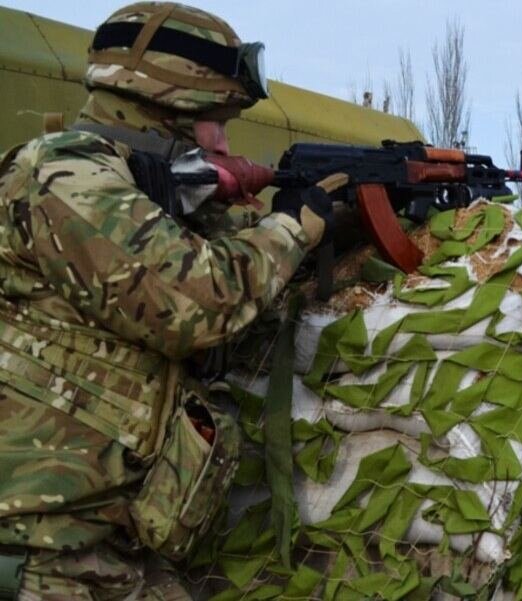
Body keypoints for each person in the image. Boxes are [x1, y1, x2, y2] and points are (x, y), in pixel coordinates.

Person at [0, 3, 334, 598]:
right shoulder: (62, 178)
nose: (226, 141)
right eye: (217, 121)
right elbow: (197, 302)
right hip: (43, 556)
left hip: (109, 550)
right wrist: (290, 228)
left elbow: (234, 287)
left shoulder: (139, 195)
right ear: (167, 111)